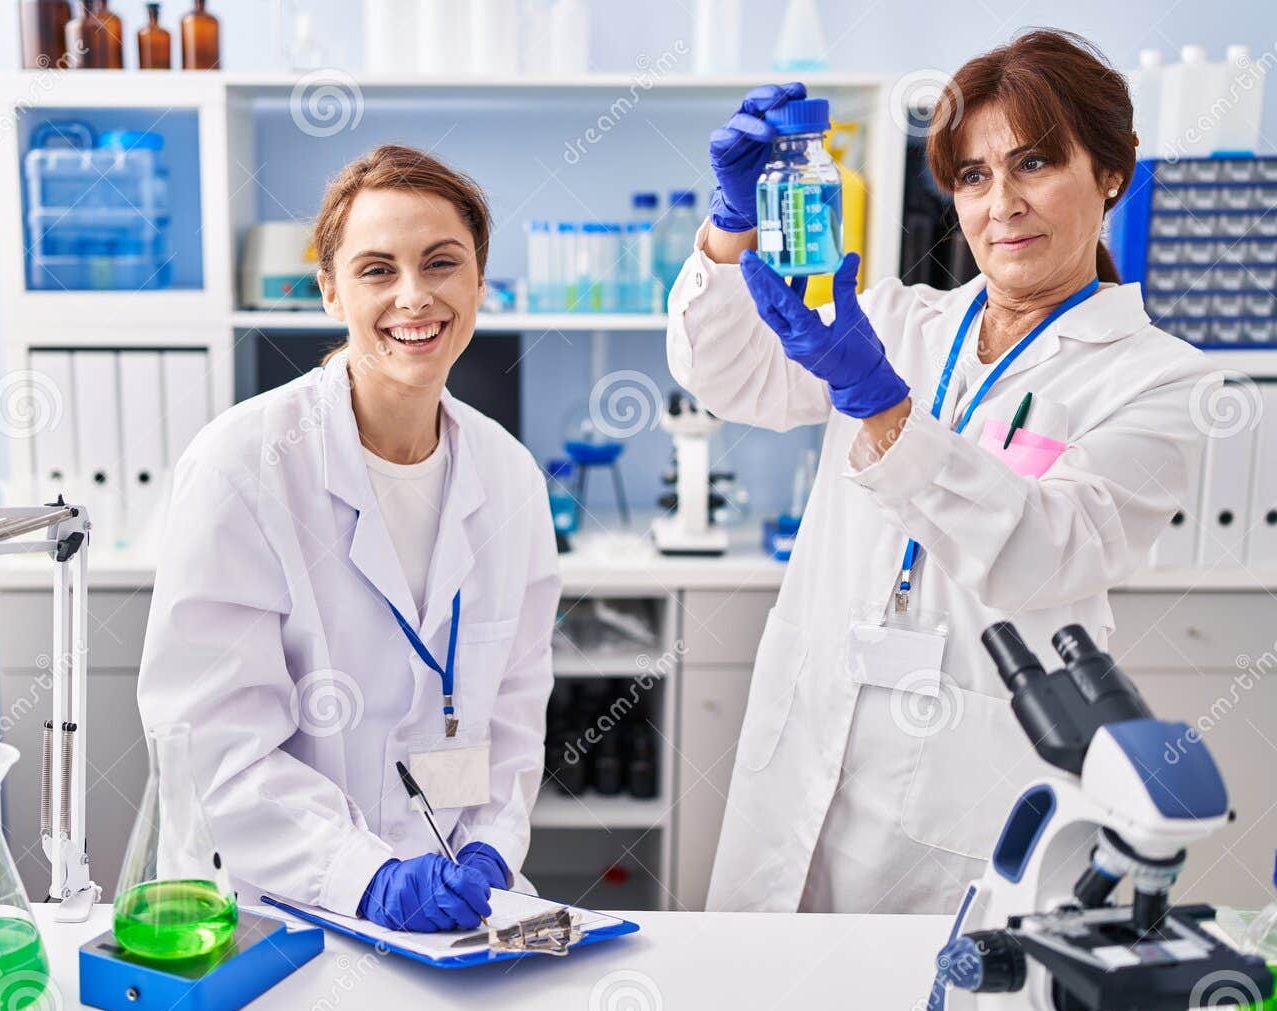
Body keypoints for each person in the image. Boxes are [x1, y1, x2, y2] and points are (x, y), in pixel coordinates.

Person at [668, 30, 1218, 914]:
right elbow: (728, 374)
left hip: (957, 804)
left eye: (1035, 163)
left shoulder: (1163, 379)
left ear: (1111, 172)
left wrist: (881, 403)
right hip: (805, 755)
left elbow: (1047, 550)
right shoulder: (900, 320)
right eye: (973, 176)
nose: (1002, 203)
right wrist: (731, 229)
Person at [138, 145, 559, 931]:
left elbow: (514, 704)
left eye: (442, 264)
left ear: (478, 283)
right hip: (287, 908)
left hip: (465, 913)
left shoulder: (509, 475)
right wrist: (368, 879)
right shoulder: (244, 465)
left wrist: (492, 847)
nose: (414, 297)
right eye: (376, 270)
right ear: (330, 290)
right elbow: (215, 743)